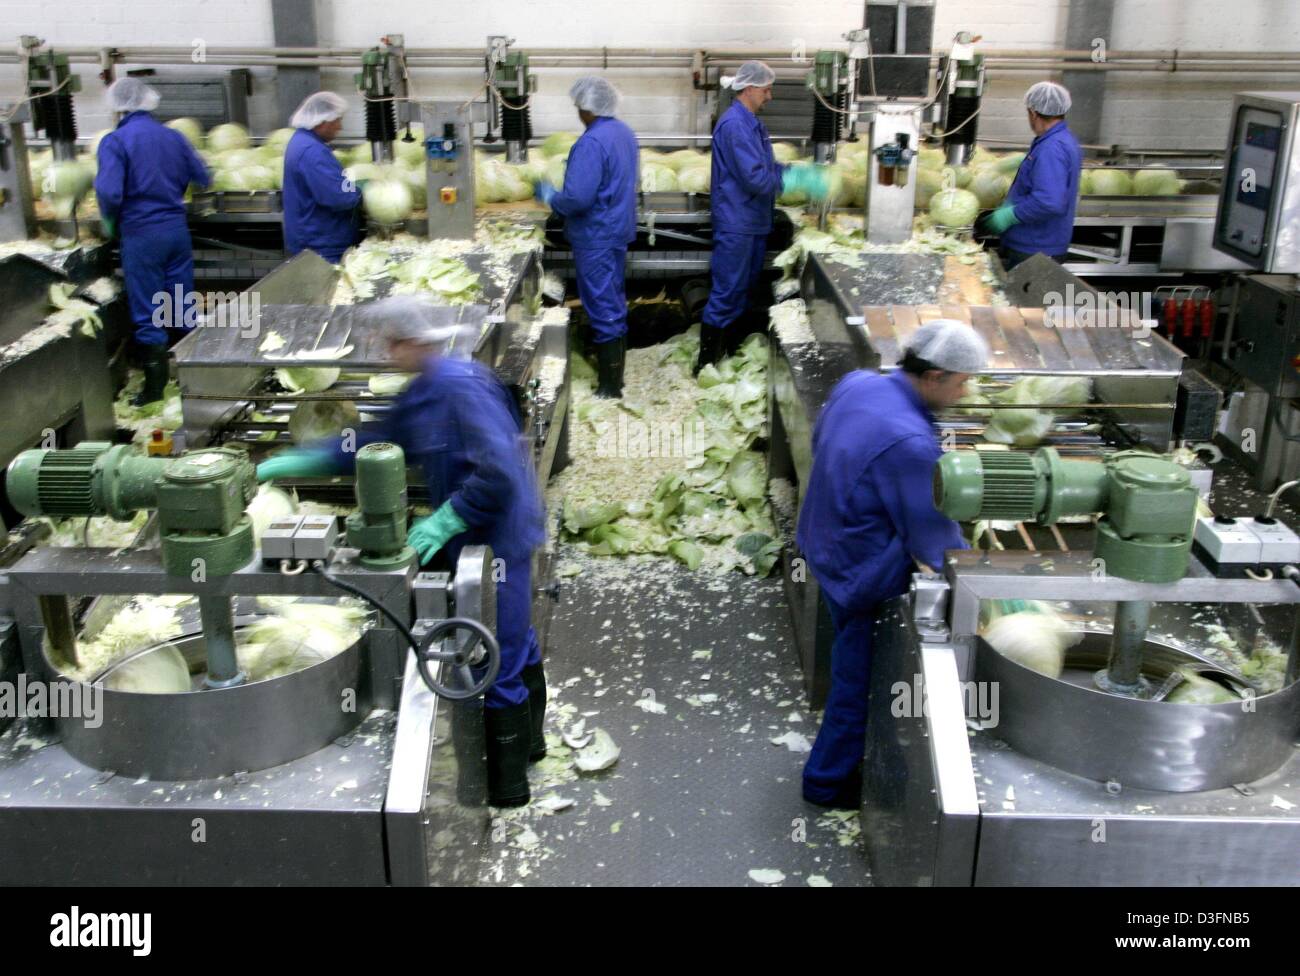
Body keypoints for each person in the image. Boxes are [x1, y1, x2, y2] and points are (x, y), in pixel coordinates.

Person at [257, 297, 547, 808]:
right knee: (513, 641)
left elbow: (499, 472)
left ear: (417, 341)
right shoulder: (427, 390)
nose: (385, 353)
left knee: (500, 654)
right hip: (476, 537)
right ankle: (532, 749)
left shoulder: (459, 388)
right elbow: (374, 444)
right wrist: (299, 461)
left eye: (391, 343)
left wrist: (447, 518)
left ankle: (508, 792)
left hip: (500, 536)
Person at [796, 320, 989, 808]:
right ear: (936, 376)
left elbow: (825, 442)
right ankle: (826, 783)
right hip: (861, 570)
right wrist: (983, 585)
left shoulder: (859, 383)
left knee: (847, 655)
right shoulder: (909, 442)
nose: (966, 392)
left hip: (825, 538)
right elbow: (932, 539)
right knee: (856, 681)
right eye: (963, 382)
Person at [698, 60, 830, 372]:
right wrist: (793, 182)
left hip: (753, 221)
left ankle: (728, 355)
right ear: (750, 88)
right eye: (767, 89)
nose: (770, 96)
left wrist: (797, 171)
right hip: (737, 223)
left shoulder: (752, 123)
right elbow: (755, 178)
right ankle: (705, 364)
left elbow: (766, 167)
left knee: (742, 293)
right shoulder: (734, 125)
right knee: (727, 292)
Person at [94, 77, 211, 405]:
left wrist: (109, 221)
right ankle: (192, 383)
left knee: (148, 309)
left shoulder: (114, 142)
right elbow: (204, 176)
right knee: (178, 304)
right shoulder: (174, 136)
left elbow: (109, 191)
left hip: (142, 233)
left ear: (119, 107)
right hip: (176, 231)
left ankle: (155, 389)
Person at [534, 78, 639, 398]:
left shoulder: (591, 143)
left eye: (579, 106)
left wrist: (552, 197)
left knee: (602, 305)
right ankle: (614, 375)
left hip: (595, 235)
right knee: (612, 300)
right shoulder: (624, 133)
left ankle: (610, 388)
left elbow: (578, 198)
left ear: (587, 107)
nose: (578, 112)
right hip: (616, 229)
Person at [978, 81, 1082, 271]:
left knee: (1022, 300)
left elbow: (1049, 202)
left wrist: (1007, 216)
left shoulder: (1051, 148)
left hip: (1034, 247)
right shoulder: (1061, 139)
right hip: (1039, 243)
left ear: (1033, 113)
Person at [282, 92, 363, 265]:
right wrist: (360, 191)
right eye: (337, 120)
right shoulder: (312, 152)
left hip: (312, 238)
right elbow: (339, 198)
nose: (340, 127)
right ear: (322, 121)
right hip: (321, 244)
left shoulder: (302, 140)